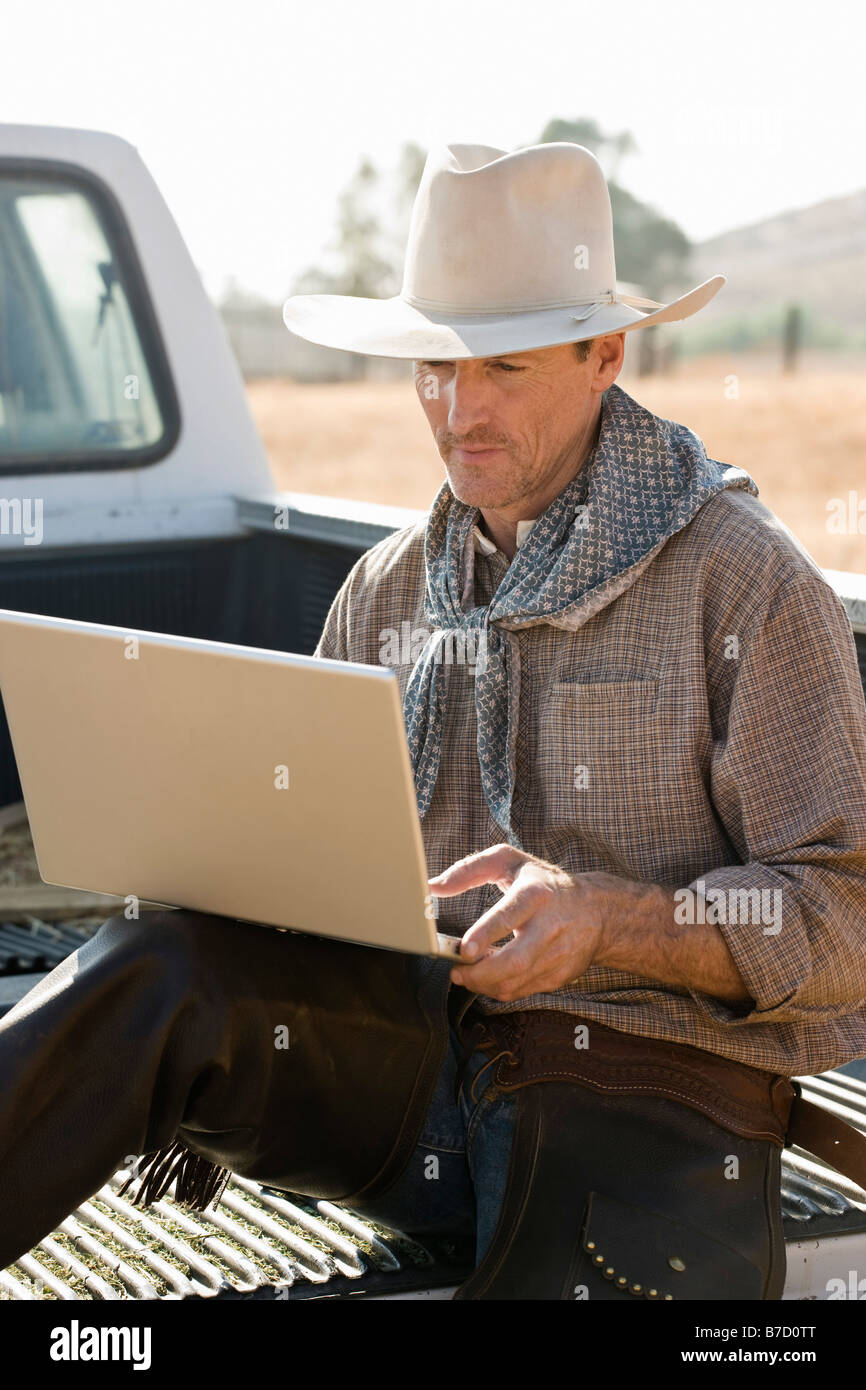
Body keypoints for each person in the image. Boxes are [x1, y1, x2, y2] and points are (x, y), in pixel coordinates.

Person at [1, 141, 865, 1299]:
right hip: (417, 1074)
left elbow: (844, 919)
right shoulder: (390, 588)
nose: (455, 410)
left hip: (638, 1085)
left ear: (604, 354)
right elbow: (296, 856)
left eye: (501, 367)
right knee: (159, 966)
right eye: (429, 369)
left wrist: (605, 922)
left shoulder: (744, 585)